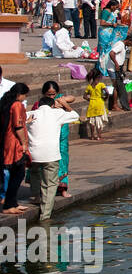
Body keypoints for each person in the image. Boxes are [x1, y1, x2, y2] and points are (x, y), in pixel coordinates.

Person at [28, 95, 81, 220]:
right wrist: (65, 104)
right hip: (51, 155)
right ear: (52, 105)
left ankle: (36, 196)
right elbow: (75, 115)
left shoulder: (30, 113)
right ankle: (45, 215)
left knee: (34, 172)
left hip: (33, 154)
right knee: (50, 185)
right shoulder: (57, 113)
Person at [1, 82, 31, 214]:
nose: (25, 98)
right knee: (18, 173)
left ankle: (12, 203)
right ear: (20, 94)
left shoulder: (7, 103)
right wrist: (24, 143)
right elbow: (18, 126)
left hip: (8, 141)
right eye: (24, 95)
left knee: (14, 173)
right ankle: (8, 205)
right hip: (15, 143)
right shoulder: (17, 105)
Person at [83, 68, 110, 141]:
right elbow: (107, 92)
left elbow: (84, 96)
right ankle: (99, 136)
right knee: (99, 120)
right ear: (99, 76)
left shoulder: (89, 86)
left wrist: (90, 99)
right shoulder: (101, 84)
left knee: (92, 120)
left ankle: (92, 136)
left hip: (92, 103)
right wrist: (105, 98)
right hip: (99, 103)